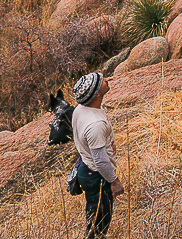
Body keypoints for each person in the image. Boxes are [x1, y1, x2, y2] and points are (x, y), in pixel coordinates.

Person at [69, 71, 121, 237]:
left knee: (95, 217)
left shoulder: (81, 109)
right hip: (96, 175)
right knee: (99, 225)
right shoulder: (95, 124)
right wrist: (114, 181)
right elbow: (100, 160)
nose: (106, 80)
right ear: (97, 94)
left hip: (86, 167)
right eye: (102, 81)